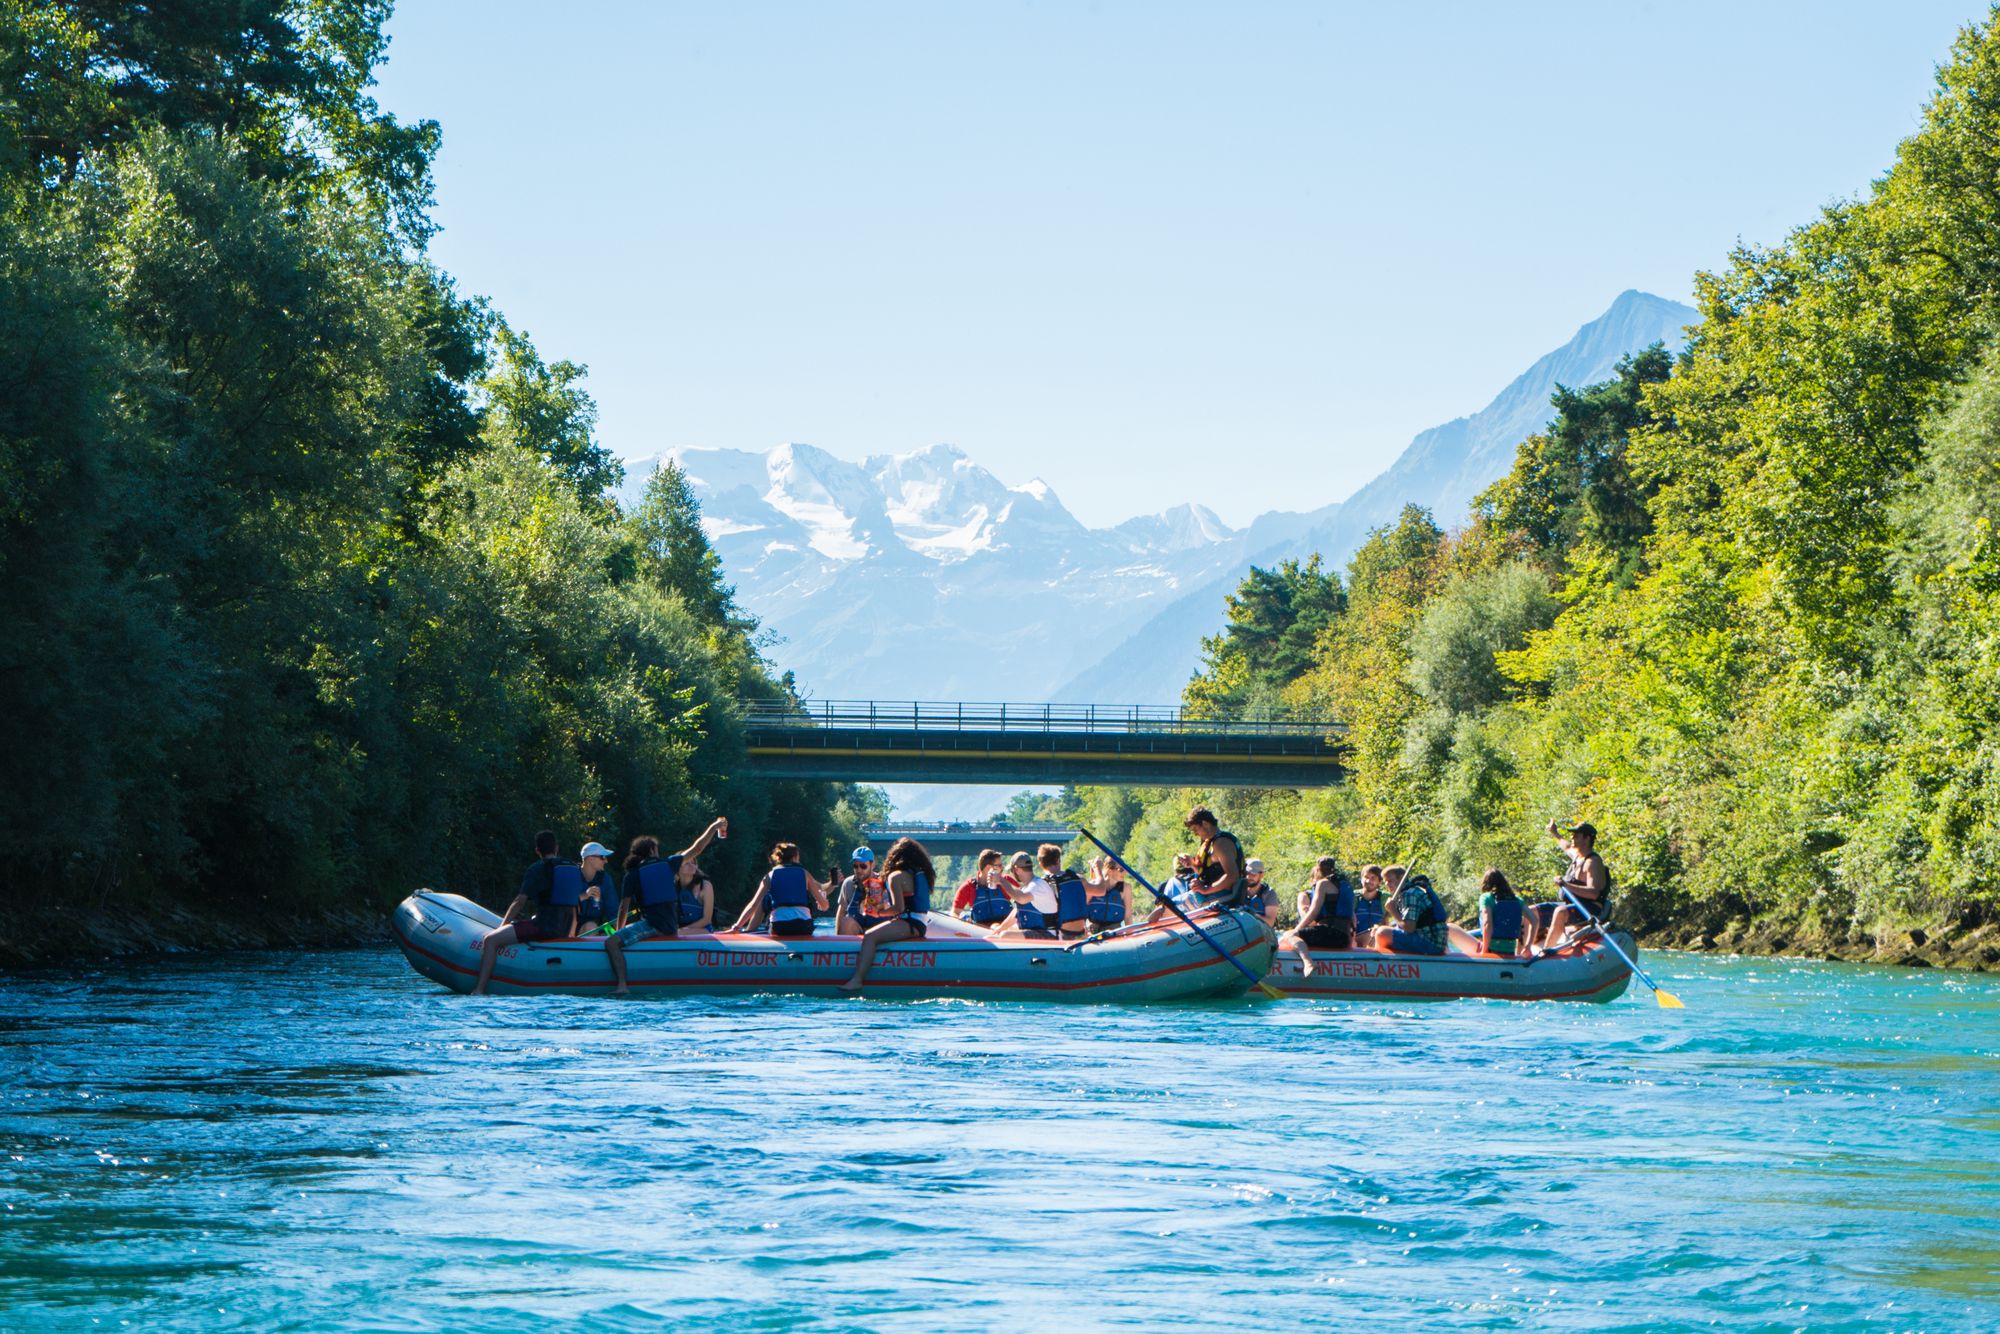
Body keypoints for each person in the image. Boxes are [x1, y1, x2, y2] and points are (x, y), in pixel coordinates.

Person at [603, 817, 727, 996]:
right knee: (625, 935)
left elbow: (623, 908)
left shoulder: (632, 875)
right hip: (669, 924)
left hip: (655, 925)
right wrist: (714, 826)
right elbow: (697, 848)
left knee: (611, 942)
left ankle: (622, 985)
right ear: (652, 850)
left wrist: (618, 932)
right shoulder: (669, 864)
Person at [472, 831, 583, 995]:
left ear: (537, 850)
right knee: (532, 918)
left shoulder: (537, 869)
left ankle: (479, 989)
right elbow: (575, 904)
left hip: (544, 928)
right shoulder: (572, 868)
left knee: (490, 940)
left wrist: (501, 927)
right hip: (565, 929)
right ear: (556, 848)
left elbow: (520, 901)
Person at [840, 837, 936, 992]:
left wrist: (879, 912)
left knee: (870, 936)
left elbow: (898, 908)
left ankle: (857, 979)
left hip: (910, 923)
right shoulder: (919, 873)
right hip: (919, 922)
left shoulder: (895, 877)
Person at [1537, 820, 1612, 950]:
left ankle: (1546, 951)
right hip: (1573, 906)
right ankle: (1522, 953)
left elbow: (1594, 893)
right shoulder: (1577, 856)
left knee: (1560, 911)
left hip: (1591, 909)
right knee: (1533, 911)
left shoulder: (1593, 862)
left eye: (1576, 835)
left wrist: (1566, 885)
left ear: (1587, 838)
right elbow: (1565, 846)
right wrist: (1555, 832)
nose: (1572, 837)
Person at [731, 842, 830, 937]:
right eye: (798, 857)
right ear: (794, 857)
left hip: (779, 928)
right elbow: (824, 906)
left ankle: (750, 930)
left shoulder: (770, 875)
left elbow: (753, 904)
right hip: (803, 927)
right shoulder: (804, 874)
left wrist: (737, 926)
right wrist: (824, 902)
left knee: (765, 903)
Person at [1281, 855, 1356, 976]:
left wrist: (1296, 930)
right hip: (1344, 938)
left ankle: (1308, 963)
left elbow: (1313, 911)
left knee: (1289, 934)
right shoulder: (1346, 885)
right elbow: (1353, 918)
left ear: (1318, 869)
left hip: (1330, 933)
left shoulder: (1323, 884)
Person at [1370, 863, 1448, 956]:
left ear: (1401, 878)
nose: (1387, 884)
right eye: (1385, 882)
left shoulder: (1409, 894)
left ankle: (1381, 960)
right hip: (1431, 942)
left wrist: (1393, 910)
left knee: (1382, 933)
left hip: (1431, 944)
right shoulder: (1407, 893)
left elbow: (1409, 928)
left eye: (1390, 880)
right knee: (1379, 930)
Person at [1041, 843, 1116, 940]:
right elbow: (1101, 890)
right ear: (1058, 860)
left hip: (1057, 936)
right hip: (1079, 935)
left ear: (1041, 864)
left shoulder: (1041, 885)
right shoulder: (1077, 879)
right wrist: (1098, 869)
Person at [1183, 806, 1245, 907]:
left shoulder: (1221, 843)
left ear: (1205, 824)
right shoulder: (1211, 842)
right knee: (1164, 907)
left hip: (1218, 896)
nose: (1195, 834)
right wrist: (1192, 865)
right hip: (1212, 894)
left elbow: (1233, 876)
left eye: (1196, 829)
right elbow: (1210, 873)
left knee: (1165, 909)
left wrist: (1206, 890)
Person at [993, 850, 1057, 938]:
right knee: (997, 928)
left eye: (1012, 870)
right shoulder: (1026, 888)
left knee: (1005, 935)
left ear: (1016, 870)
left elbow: (1021, 899)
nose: (1012, 873)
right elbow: (1014, 914)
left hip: (1048, 935)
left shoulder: (1037, 885)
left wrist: (1001, 880)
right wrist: (999, 929)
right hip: (1035, 931)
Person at [1476, 867, 1534, 957]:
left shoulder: (1486, 898)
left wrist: (1484, 951)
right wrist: (1528, 946)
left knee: (1452, 928)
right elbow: (1534, 921)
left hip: (1492, 950)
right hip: (1510, 951)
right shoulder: (1517, 900)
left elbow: (1487, 923)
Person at [960, 849, 1017, 930]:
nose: (1002, 868)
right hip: (980, 932)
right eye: (999, 866)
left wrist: (1003, 883)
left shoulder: (1006, 881)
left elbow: (1024, 898)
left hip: (1005, 930)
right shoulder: (969, 887)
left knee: (996, 926)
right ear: (988, 868)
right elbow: (955, 913)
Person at [573, 841, 619, 936]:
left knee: (604, 933)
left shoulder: (605, 879)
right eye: (602, 857)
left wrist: (621, 932)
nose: (606, 861)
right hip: (571, 927)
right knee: (591, 927)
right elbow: (562, 905)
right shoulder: (571, 876)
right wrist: (584, 896)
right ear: (591, 859)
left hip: (597, 926)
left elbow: (613, 912)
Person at [1084, 855, 1131, 933]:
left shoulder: (1126, 888)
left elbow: (1128, 917)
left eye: (1125, 869)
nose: (1125, 872)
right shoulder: (1094, 885)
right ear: (1109, 871)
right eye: (1121, 869)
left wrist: (1130, 936)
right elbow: (1082, 911)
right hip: (1093, 931)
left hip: (1115, 931)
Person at [836, 847, 877, 935]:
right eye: (855, 866)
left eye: (863, 866)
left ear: (872, 865)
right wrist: (837, 938)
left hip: (878, 928)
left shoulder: (884, 882)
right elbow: (841, 912)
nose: (858, 870)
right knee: (846, 922)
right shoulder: (848, 883)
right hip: (857, 927)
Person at [1241, 858, 1280, 928]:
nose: (1248, 877)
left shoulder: (1269, 893)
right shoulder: (1238, 891)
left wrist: (1251, 914)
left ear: (1261, 875)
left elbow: (1270, 922)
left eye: (1253, 874)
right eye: (1247, 873)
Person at [1353, 864, 1387, 936]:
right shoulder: (1353, 896)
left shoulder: (1385, 898)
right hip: (1356, 941)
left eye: (1373, 878)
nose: (1368, 881)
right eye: (1366, 877)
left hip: (1377, 940)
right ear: (1361, 879)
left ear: (1379, 881)